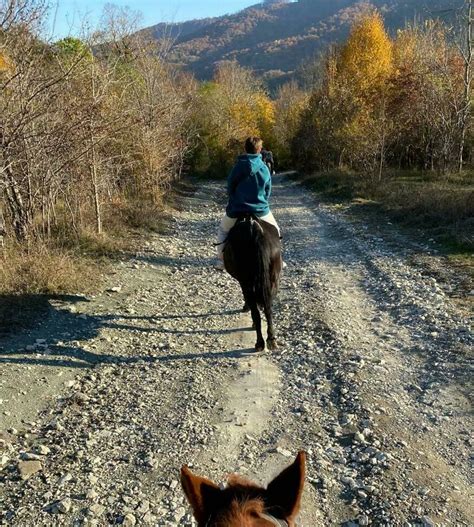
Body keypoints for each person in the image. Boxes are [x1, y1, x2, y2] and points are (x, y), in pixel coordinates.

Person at [215, 136, 282, 270]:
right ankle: (279, 259)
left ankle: (222, 260)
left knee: (223, 230)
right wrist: (262, 201)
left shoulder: (237, 167)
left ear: (245, 149)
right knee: (276, 231)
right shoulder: (264, 168)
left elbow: (230, 187)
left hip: (237, 210)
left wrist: (234, 201)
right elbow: (267, 190)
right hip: (260, 210)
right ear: (260, 150)